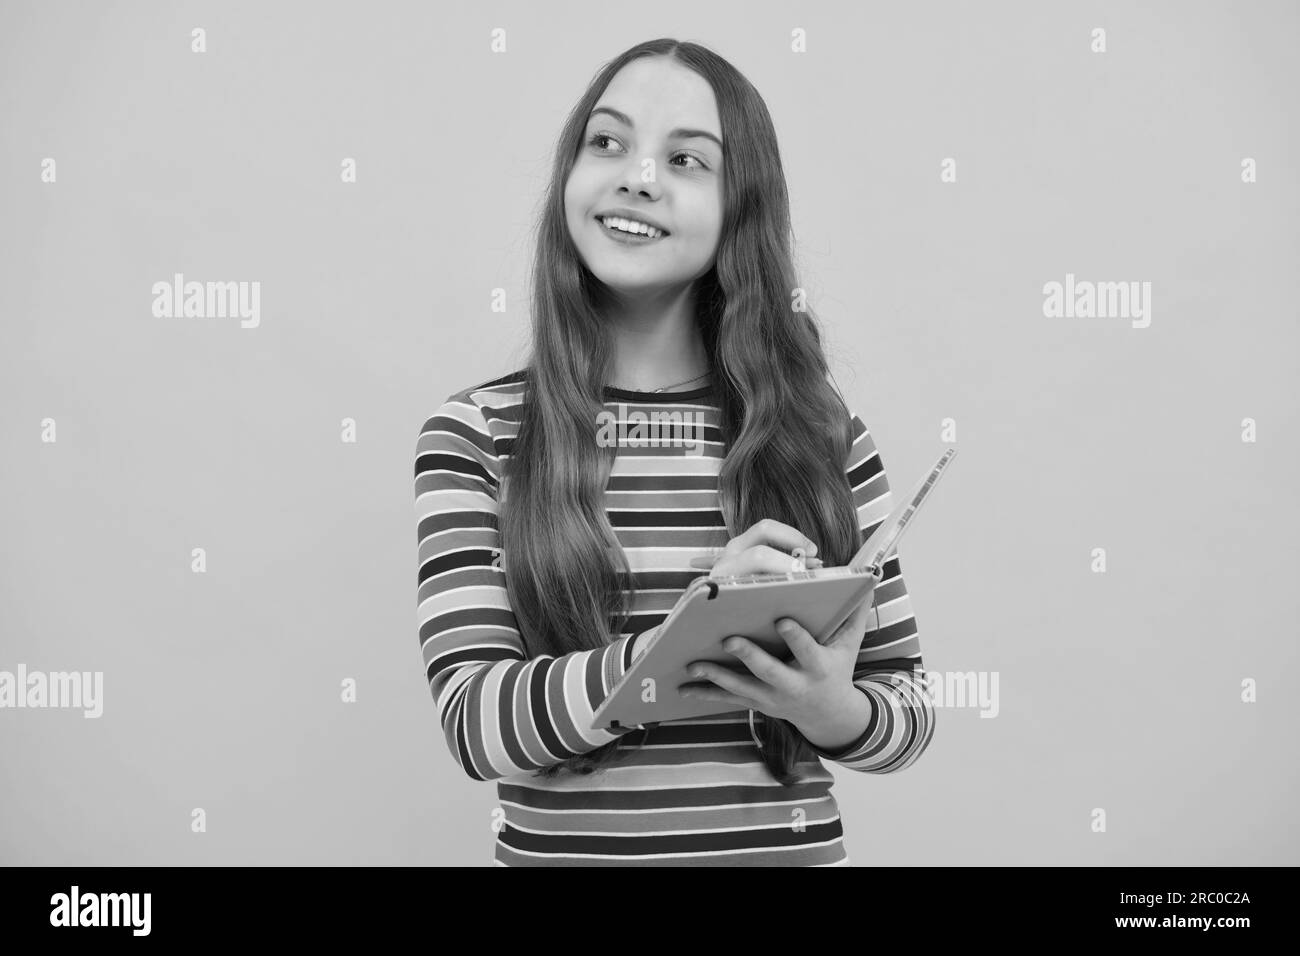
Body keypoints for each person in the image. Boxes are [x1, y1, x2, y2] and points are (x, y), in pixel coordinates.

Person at [414, 38, 935, 866]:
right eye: (607, 142)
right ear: (569, 180)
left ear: (742, 210)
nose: (638, 176)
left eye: (686, 159)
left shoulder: (823, 435)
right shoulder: (477, 433)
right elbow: (476, 727)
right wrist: (689, 630)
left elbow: (905, 712)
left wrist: (831, 707)